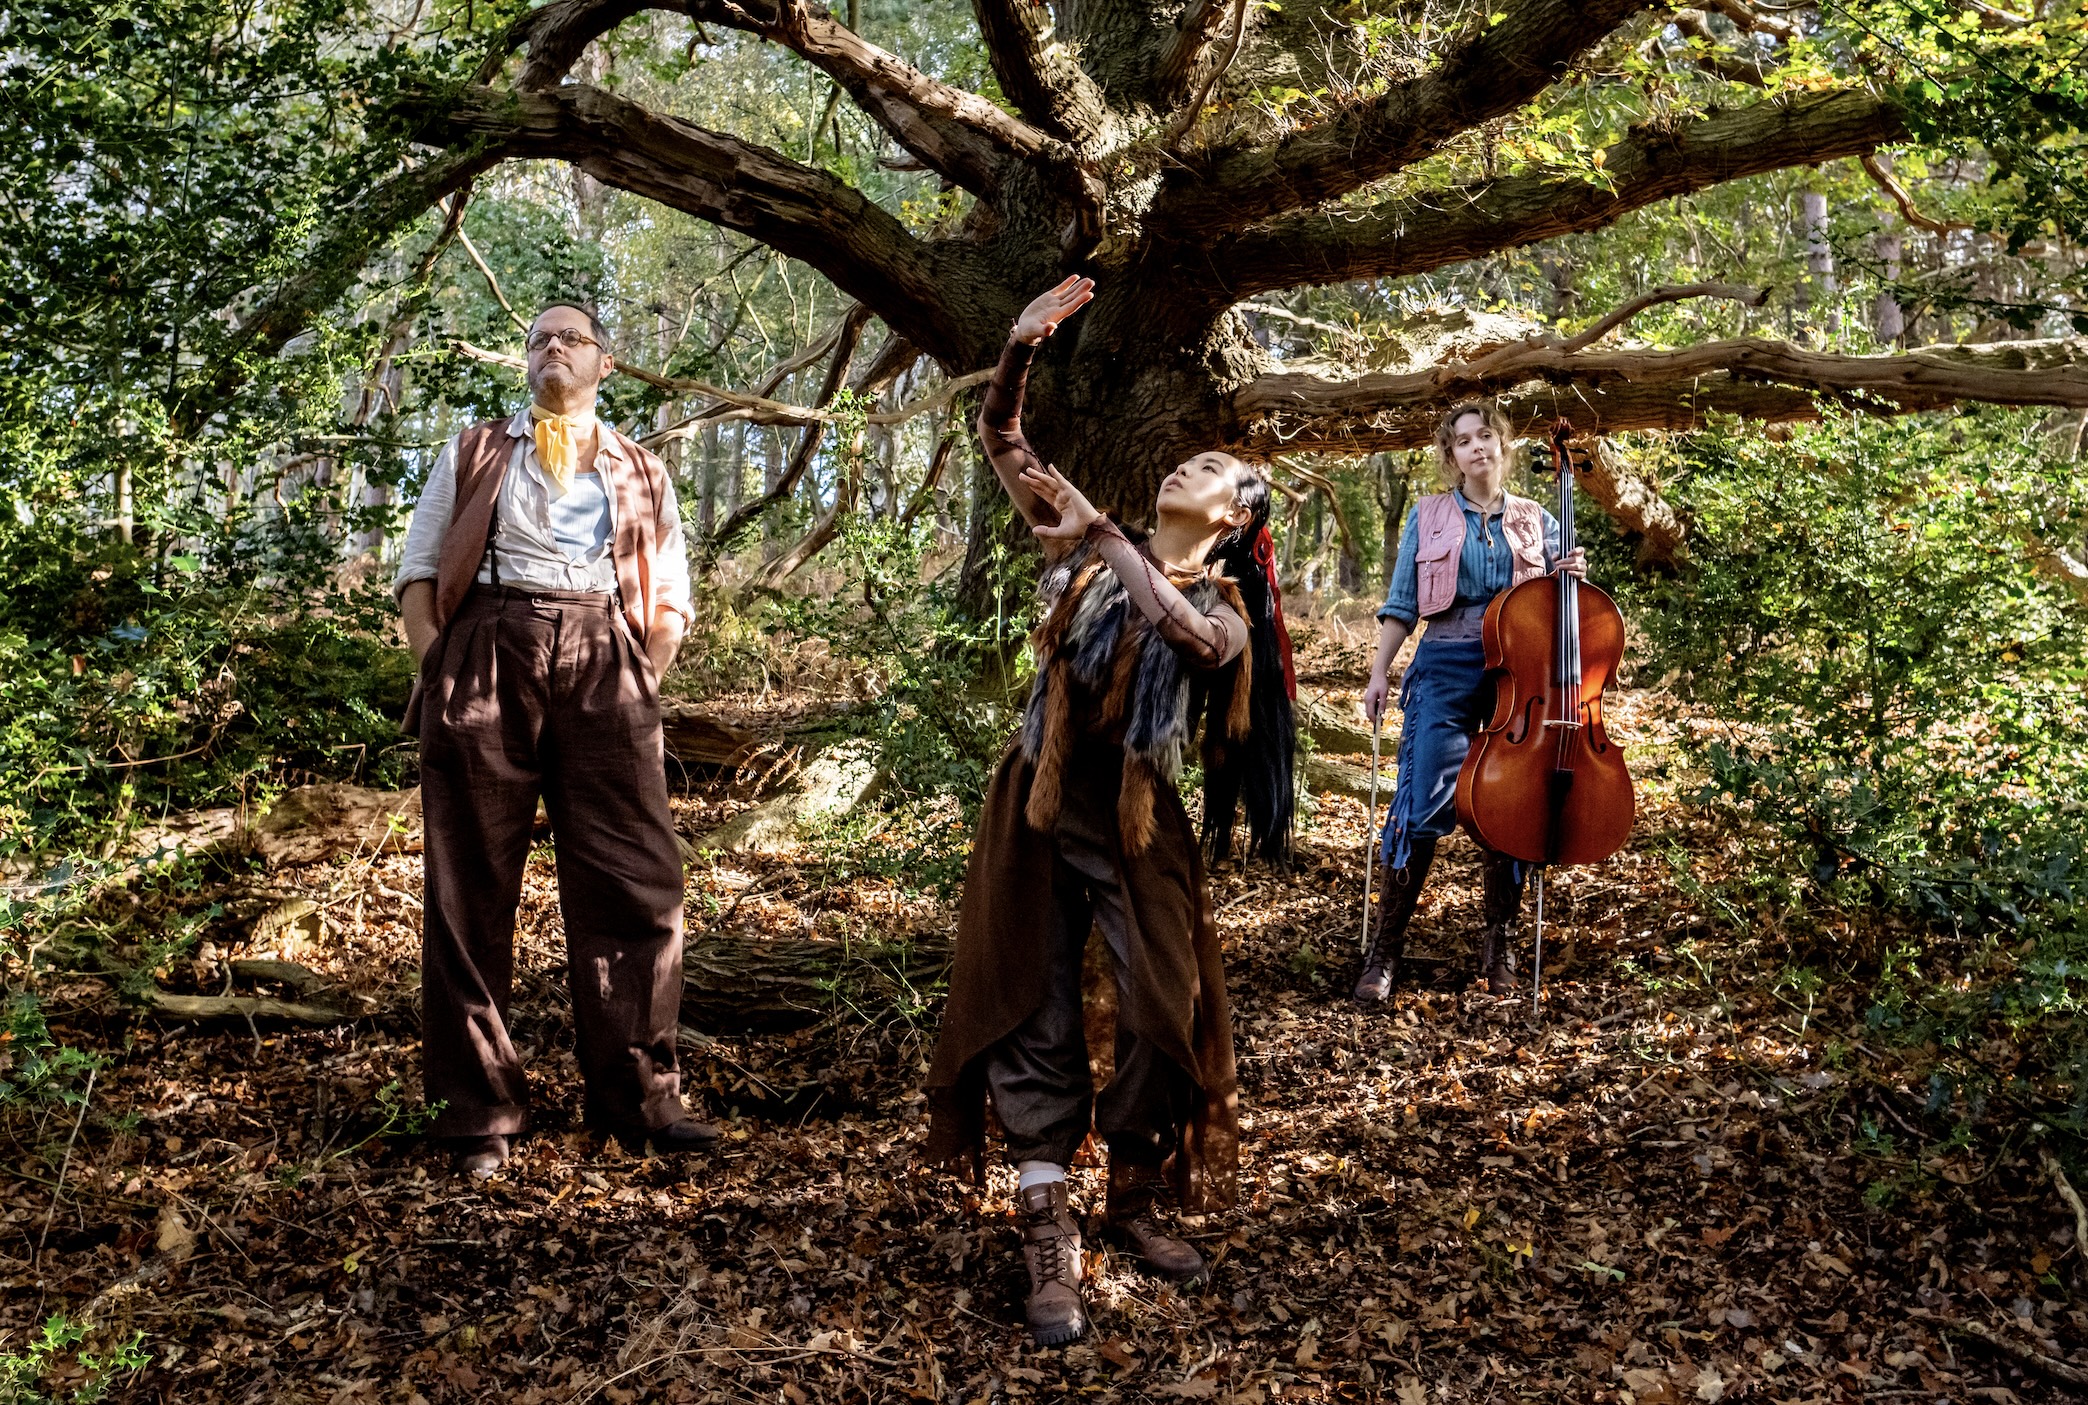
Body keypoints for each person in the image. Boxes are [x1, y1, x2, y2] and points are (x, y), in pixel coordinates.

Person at [922, 277, 1297, 1347]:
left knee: (1162, 1005)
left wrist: (1107, 537)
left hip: (1136, 819)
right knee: (1027, 999)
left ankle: (1133, 1191)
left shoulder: (1228, 609)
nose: (1186, 467)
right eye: (1186, 459)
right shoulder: (1085, 538)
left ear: (1234, 518)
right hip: (1035, 799)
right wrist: (1016, 347)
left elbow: (1186, 635)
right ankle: (1048, 1225)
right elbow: (1003, 439)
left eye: (1211, 469)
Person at [393, 302, 718, 1179]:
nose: (553, 349)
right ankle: (476, 1115)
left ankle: (640, 1101)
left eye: (571, 338)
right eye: (539, 339)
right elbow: (418, 570)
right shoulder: (474, 451)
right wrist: (438, 667)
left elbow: (672, 594)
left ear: (604, 364)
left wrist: (643, 673)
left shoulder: (641, 468)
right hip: (486, 650)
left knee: (636, 880)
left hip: (604, 654)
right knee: (469, 887)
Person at [1352, 400, 1587, 1002]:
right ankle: (1386, 951)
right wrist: (1380, 673)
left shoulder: (1538, 518)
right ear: (1451, 455)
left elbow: (1560, 609)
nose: (1477, 446)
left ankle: (1498, 943)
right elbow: (1402, 603)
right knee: (1423, 800)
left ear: (1502, 445)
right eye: (1463, 440)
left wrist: (1572, 577)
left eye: (1486, 435)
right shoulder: (1427, 515)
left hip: (1520, 674)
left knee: (1512, 804)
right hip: (1445, 663)